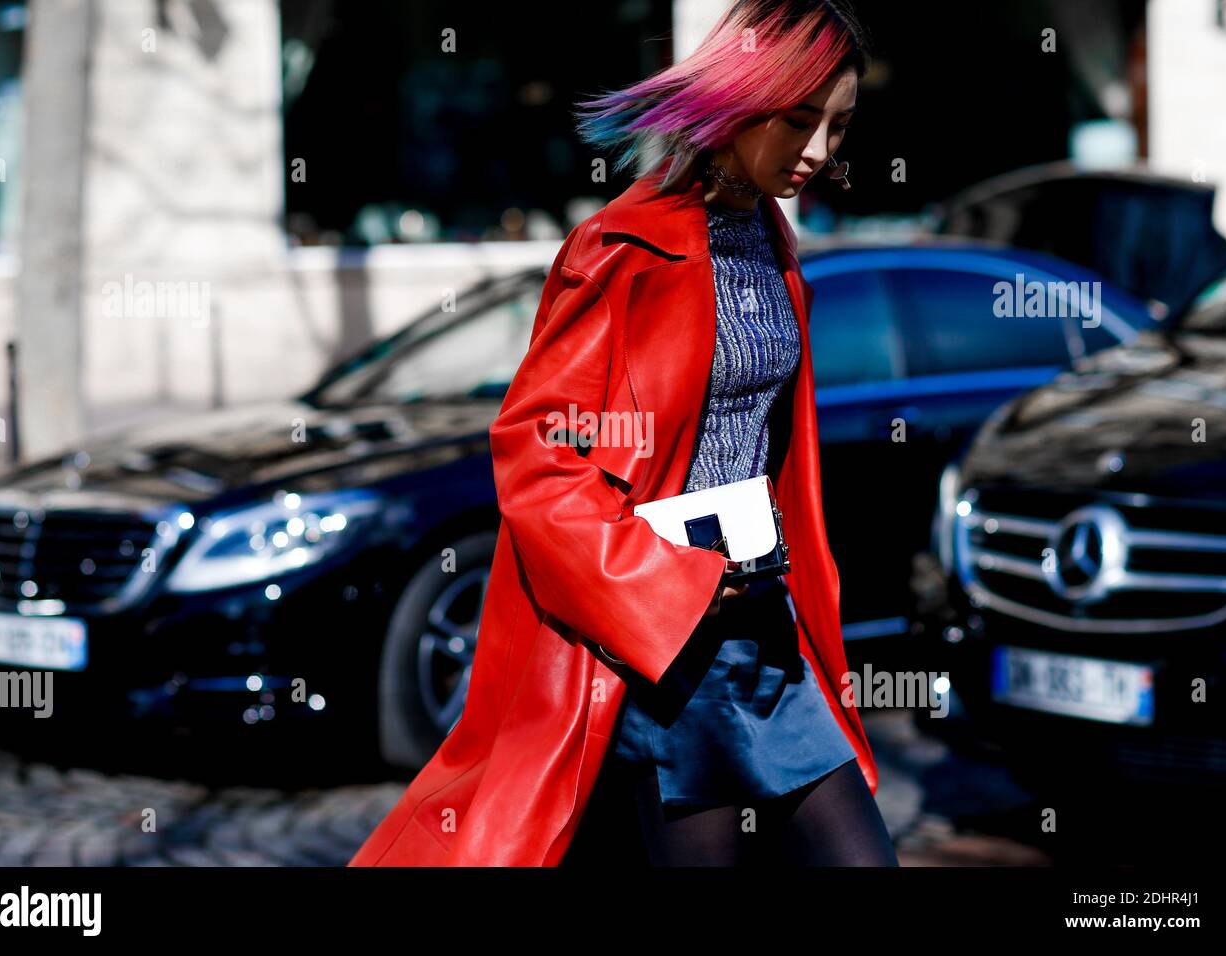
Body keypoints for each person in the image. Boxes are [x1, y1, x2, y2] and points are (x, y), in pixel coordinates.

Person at [348, 0, 895, 867]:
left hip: (769, 628)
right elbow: (539, 461)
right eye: (799, 120)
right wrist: (670, 585)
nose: (821, 151)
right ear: (739, 99)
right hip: (667, 646)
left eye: (839, 125)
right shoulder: (621, 252)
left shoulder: (774, 245)